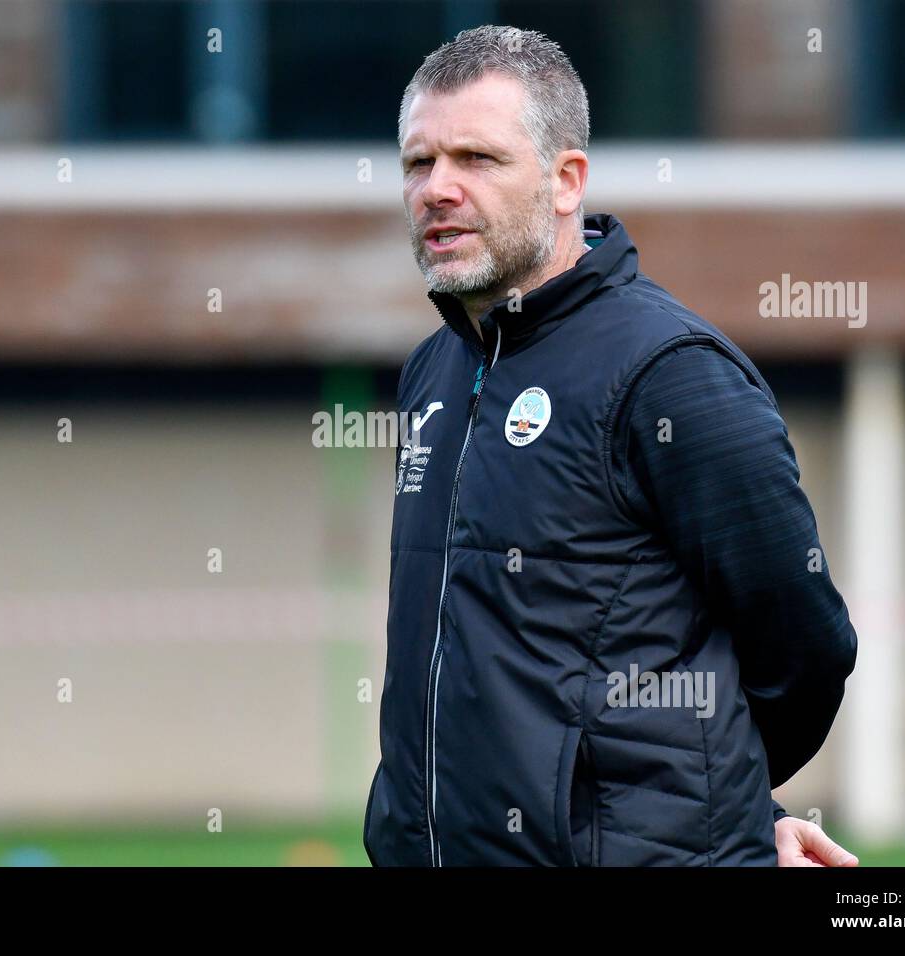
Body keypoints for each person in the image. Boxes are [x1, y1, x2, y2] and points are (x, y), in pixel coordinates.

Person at [363, 25, 859, 866]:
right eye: (419, 163)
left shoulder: (670, 375)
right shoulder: (433, 372)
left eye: (476, 159)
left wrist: (720, 810)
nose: (436, 189)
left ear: (566, 181)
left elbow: (803, 647)